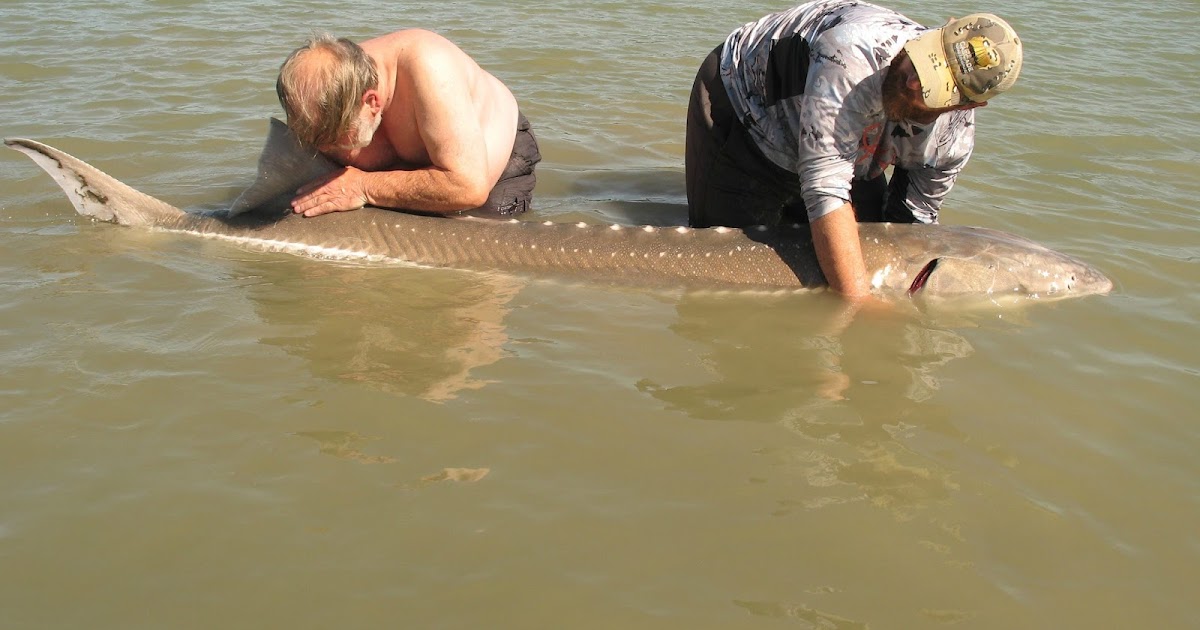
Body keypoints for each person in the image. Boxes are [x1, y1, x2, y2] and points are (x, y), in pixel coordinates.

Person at [685, 1, 1022, 299]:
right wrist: (860, 307)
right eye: (922, 61)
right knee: (723, 270)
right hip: (748, 106)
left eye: (931, 89)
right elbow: (824, 188)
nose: (912, 82)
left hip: (850, 145)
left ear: (967, 106)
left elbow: (912, 229)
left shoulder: (951, 142)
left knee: (866, 264)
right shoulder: (852, 50)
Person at [276, 30, 540, 219]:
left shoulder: (431, 67)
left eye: (335, 138)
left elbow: (469, 187)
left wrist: (362, 186)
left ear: (372, 102)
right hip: (413, 165)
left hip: (482, 168)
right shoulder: (323, 87)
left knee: (476, 243)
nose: (325, 148)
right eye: (316, 138)